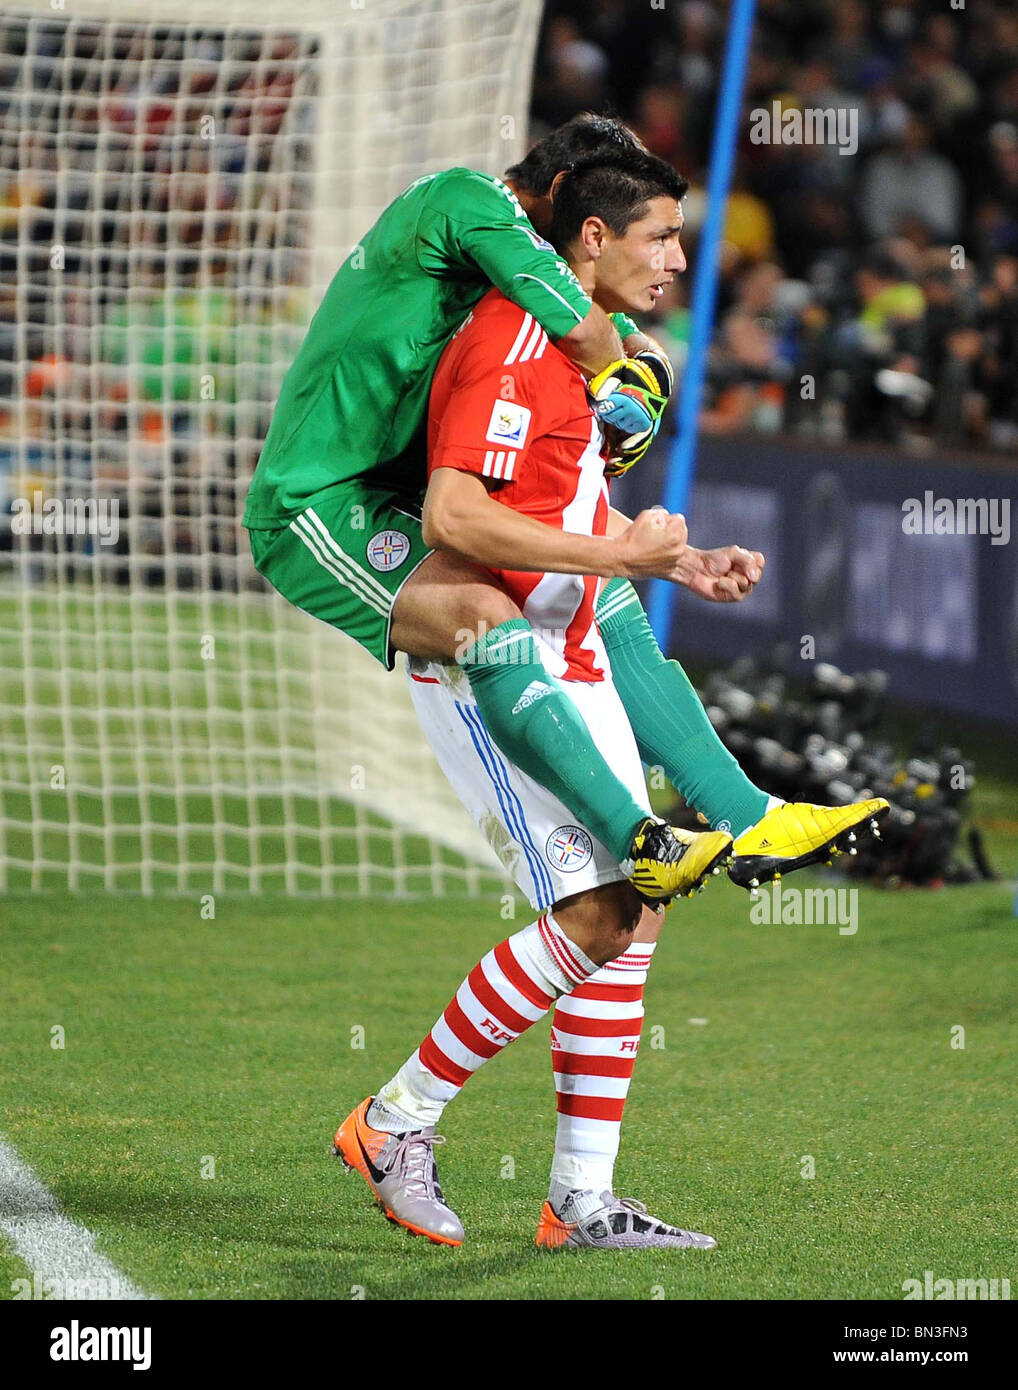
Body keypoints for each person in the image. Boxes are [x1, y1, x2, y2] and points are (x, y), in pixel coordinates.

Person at [332, 150, 888, 1251]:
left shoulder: (592, 357)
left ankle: (581, 1201)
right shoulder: (510, 341)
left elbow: (581, 510)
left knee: (637, 914)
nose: (682, 259)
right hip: (498, 660)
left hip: (571, 638)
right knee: (597, 910)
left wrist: (676, 563)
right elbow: (454, 516)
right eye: (662, 237)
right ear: (590, 238)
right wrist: (621, 557)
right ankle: (395, 1120)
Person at [244, 112, 886, 903]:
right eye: (642, 230)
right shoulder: (466, 200)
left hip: (400, 495)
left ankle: (746, 815)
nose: (667, 259)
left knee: (599, 592)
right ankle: (636, 836)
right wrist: (634, 383)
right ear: (563, 197)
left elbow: (617, 338)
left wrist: (677, 547)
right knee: (488, 614)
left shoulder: (515, 293)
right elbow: (592, 328)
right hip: (317, 504)